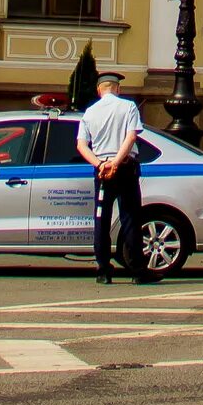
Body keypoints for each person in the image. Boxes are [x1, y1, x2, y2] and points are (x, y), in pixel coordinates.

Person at [78, 69, 147, 284]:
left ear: (99, 90)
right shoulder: (128, 107)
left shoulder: (89, 112)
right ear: (118, 89)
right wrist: (116, 163)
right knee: (130, 218)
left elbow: (81, 145)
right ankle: (137, 271)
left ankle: (103, 270)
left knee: (101, 218)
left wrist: (101, 164)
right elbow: (131, 136)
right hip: (124, 168)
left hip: (101, 170)